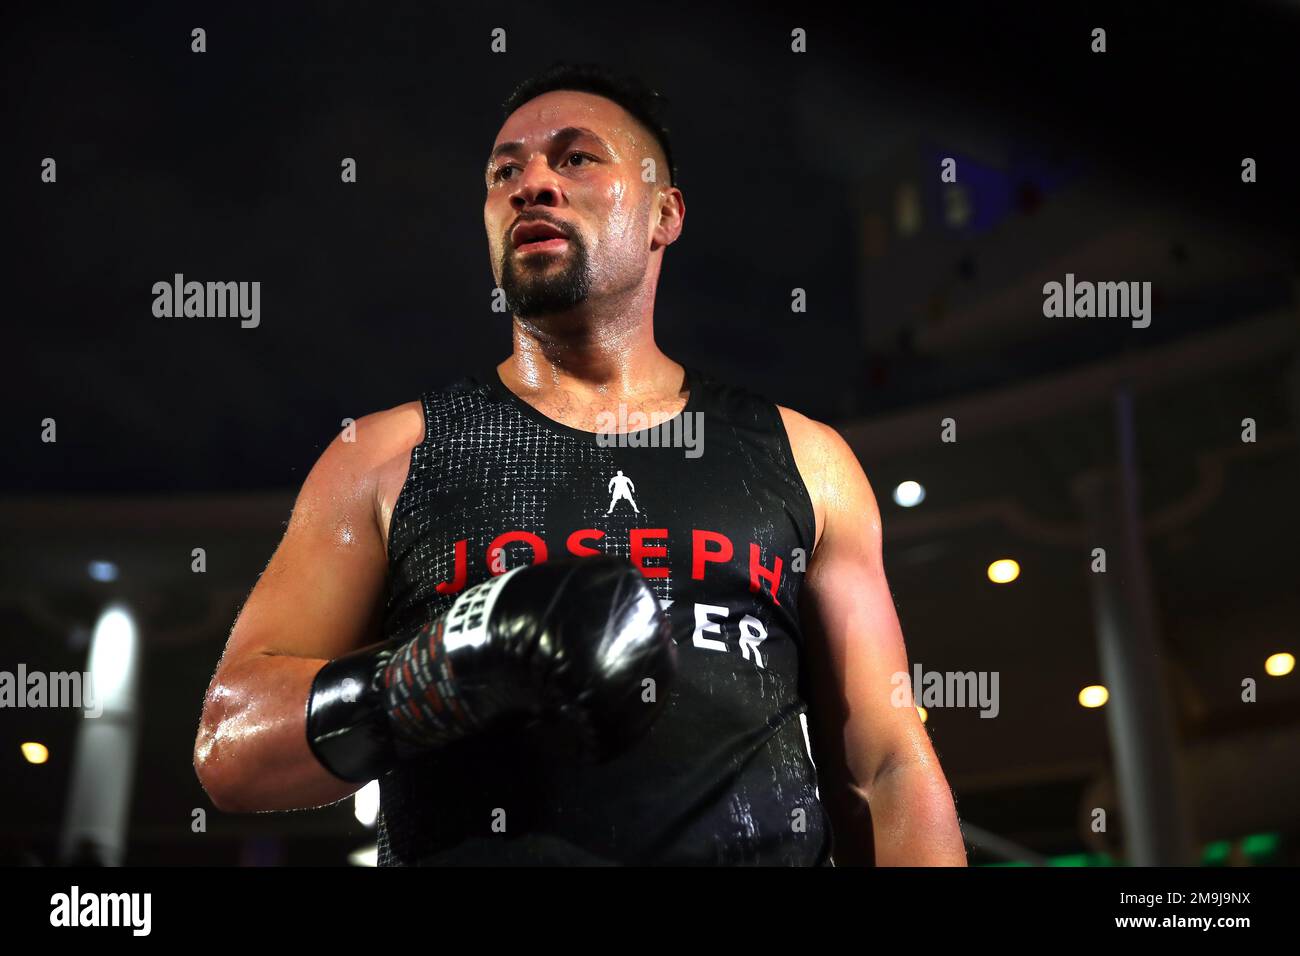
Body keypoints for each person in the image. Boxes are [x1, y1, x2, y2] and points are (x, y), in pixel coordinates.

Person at [193, 61, 967, 866]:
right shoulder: (386, 456)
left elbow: (886, 766)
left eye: (574, 158)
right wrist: (442, 666)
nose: (531, 184)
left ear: (664, 213)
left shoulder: (806, 457)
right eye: (504, 171)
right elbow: (230, 748)